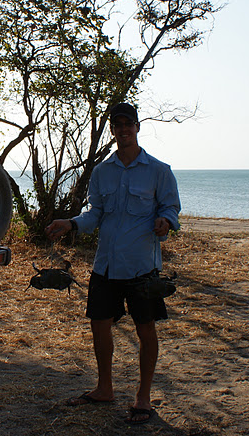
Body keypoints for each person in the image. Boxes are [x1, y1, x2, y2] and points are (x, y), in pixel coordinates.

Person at [45, 102, 180, 425]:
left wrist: (165, 220)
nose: (123, 130)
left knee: (145, 329)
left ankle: (143, 397)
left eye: (128, 124)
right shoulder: (102, 172)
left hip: (141, 268)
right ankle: (104, 388)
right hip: (105, 265)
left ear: (137, 126)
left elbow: (172, 207)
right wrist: (72, 223)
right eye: (117, 125)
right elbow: (95, 214)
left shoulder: (159, 170)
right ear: (113, 130)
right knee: (99, 325)